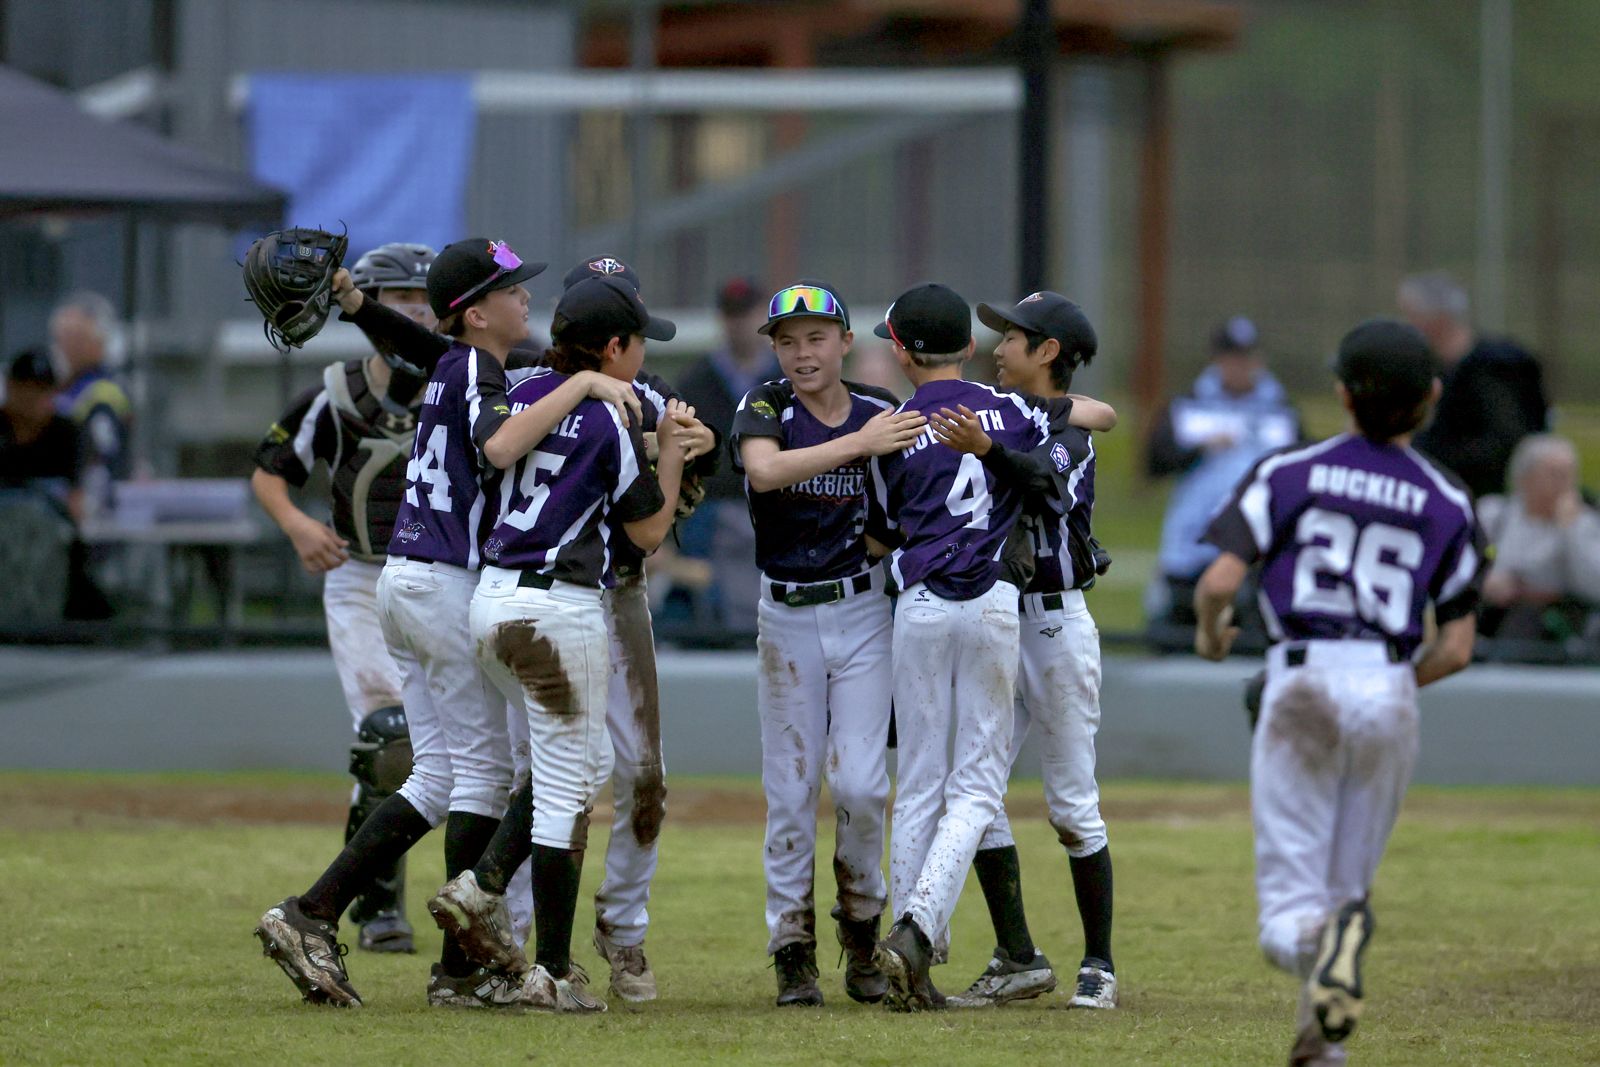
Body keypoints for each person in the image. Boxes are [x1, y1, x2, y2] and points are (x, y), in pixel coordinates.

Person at [255, 238, 643, 1010]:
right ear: (476, 311)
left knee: (437, 775)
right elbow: (501, 443)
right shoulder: (477, 369)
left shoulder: (454, 363)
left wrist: (361, 307)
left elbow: (426, 341)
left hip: (402, 579)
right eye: (510, 288)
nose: (525, 297)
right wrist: (587, 383)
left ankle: (312, 913)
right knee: (486, 778)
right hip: (441, 583)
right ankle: (457, 969)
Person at [1193, 319, 1484, 1066]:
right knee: (1346, 889)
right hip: (1388, 682)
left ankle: (1318, 970)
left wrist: (1211, 632)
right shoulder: (1448, 498)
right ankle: (1320, 1049)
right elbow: (1455, 647)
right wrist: (1389, 682)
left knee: (1291, 917)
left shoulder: (1290, 470)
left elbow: (1220, 579)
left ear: (1342, 392)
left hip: (1305, 675)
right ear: (1431, 398)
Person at [461, 275, 691, 1013]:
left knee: (577, 764)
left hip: (489, 599)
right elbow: (649, 532)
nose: (639, 360)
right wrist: (676, 453)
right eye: (635, 345)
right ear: (614, 345)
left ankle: (488, 884)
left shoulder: (521, 392)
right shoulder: (608, 418)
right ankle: (546, 961)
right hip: (560, 608)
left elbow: (494, 446)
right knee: (566, 790)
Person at [728, 280, 924, 1008]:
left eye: (816, 336)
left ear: (846, 341)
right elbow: (764, 469)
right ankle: (792, 947)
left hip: (863, 608)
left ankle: (863, 931)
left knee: (865, 783)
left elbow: (909, 505)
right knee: (789, 793)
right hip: (786, 615)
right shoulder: (766, 405)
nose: (803, 352)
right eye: (788, 340)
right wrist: (858, 445)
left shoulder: (883, 413)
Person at [250, 242, 441, 955]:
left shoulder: (463, 386)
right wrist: (300, 525)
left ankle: (482, 906)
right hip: (363, 578)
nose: (416, 311)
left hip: (446, 581)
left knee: (462, 754)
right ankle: (378, 906)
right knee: (389, 742)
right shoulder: (336, 392)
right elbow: (272, 471)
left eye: (426, 299)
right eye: (401, 300)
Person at [932, 292, 1121, 1011]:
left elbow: (1044, 475)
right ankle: (1017, 952)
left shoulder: (1067, 430)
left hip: (1055, 624)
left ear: (1047, 351)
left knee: (1073, 805)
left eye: (1013, 336)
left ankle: (1099, 962)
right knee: (972, 789)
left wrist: (986, 450)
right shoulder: (1003, 412)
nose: (999, 346)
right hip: (996, 618)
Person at [866, 283, 1052, 1012]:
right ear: (971, 347)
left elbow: (882, 529)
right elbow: (1048, 475)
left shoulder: (891, 425)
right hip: (993, 602)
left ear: (902, 352)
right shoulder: (1015, 413)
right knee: (976, 784)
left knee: (917, 779)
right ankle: (915, 931)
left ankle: (911, 949)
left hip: (919, 602)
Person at [1145, 317, 1299, 642]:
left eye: (1246, 357)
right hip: (1191, 548)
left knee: (1251, 643)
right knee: (1177, 640)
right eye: (1231, 357)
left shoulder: (1281, 411)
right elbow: (1155, 461)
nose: (1239, 366)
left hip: (1257, 552)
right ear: (1217, 359)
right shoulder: (1188, 403)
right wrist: (1199, 448)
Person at [676, 276, 777, 633]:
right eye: (732, 314)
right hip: (717, 508)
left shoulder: (788, 378)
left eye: (747, 313)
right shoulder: (696, 381)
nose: (740, 324)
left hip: (780, 505)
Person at [1399, 271, 1548, 499]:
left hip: (1487, 494)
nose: (1408, 326)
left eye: (1413, 316)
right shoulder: (1433, 368)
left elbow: (1506, 442)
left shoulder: (1493, 368)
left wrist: (1434, 457)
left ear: (1437, 319)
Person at [1476, 434, 1600, 644]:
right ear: (1524, 477)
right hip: (1492, 624)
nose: (1564, 483)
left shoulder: (1584, 524)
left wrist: (1572, 530)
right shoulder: (1494, 515)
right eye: (1554, 474)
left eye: (1569, 475)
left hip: (1554, 632)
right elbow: (1466, 566)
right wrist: (1488, 583)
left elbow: (1594, 585)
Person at [50, 291, 132, 507]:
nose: (63, 348)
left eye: (73, 339)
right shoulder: (64, 387)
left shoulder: (103, 393)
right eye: (60, 339)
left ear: (98, 343)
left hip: (85, 506)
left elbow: (105, 460)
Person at [1, 347, 85, 521]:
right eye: (28, 389)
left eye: (44, 390)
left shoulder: (65, 433)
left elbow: (76, 499)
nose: (36, 398)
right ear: (11, 387)